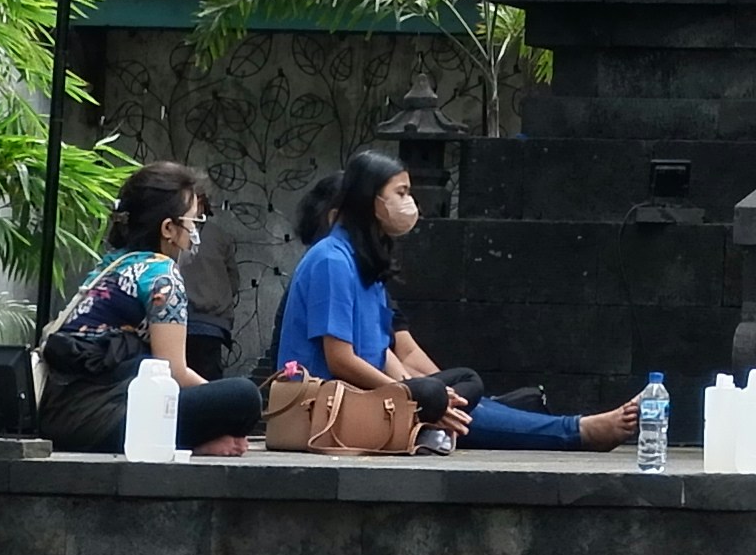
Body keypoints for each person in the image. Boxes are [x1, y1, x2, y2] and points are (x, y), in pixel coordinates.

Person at [277, 149, 639, 452]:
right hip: (330, 408)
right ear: (373, 201)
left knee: (464, 384)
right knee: (436, 398)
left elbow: (380, 351)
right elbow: (340, 359)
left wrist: (430, 394)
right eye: (401, 193)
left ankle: (440, 425)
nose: (410, 203)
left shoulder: (364, 265)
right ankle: (576, 431)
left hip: (370, 396)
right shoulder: (332, 261)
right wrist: (409, 395)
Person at [38, 159, 263, 454]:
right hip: (107, 419)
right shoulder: (161, 276)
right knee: (244, 397)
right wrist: (218, 404)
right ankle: (187, 444)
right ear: (169, 228)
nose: (195, 233)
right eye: (193, 222)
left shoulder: (112, 264)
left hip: (58, 418)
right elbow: (175, 373)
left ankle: (190, 443)